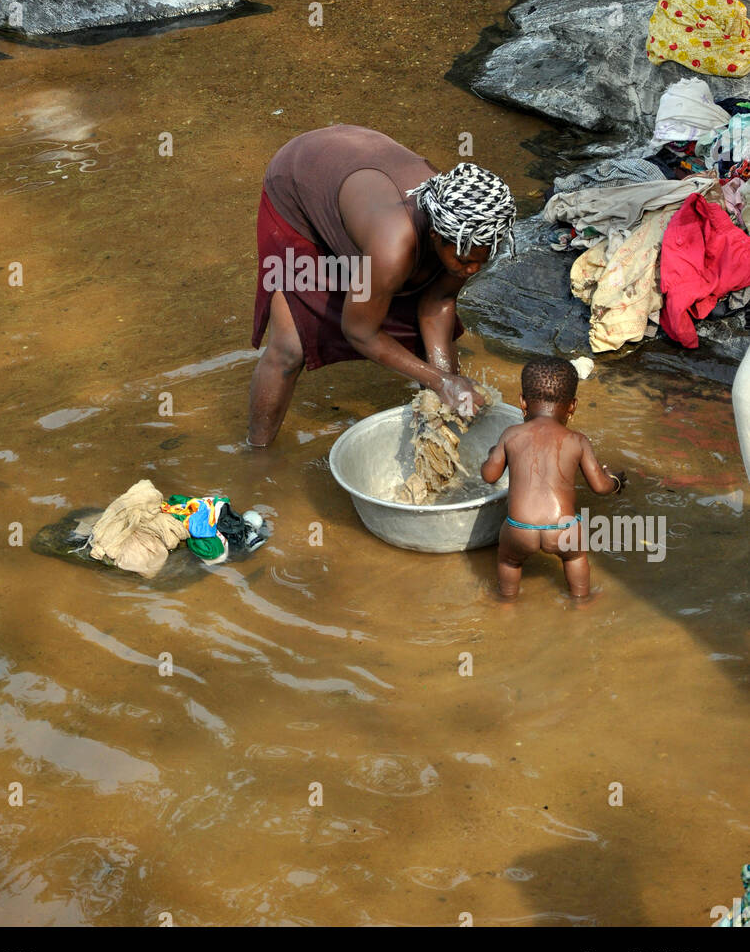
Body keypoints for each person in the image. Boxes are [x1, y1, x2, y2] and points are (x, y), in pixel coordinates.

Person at [248, 125, 516, 446]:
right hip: (300, 187)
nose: (471, 269)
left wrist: (447, 381)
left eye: (481, 260)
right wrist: (441, 381)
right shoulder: (393, 246)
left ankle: (439, 445)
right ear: (435, 235)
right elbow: (359, 331)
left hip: (360, 187)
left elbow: (437, 303)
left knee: (419, 342)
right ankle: (257, 458)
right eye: (464, 260)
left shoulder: (468, 228)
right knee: (290, 348)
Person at [480, 356, 624, 601]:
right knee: (576, 556)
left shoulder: (511, 435)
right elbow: (600, 486)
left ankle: (506, 602)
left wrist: (492, 454)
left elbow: (489, 476)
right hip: (563, 529)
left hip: (520, 528)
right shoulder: (578, 440)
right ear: (572, 406)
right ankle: (582, 601)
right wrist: (616, 481)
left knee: (509, 561)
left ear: (523, 402)